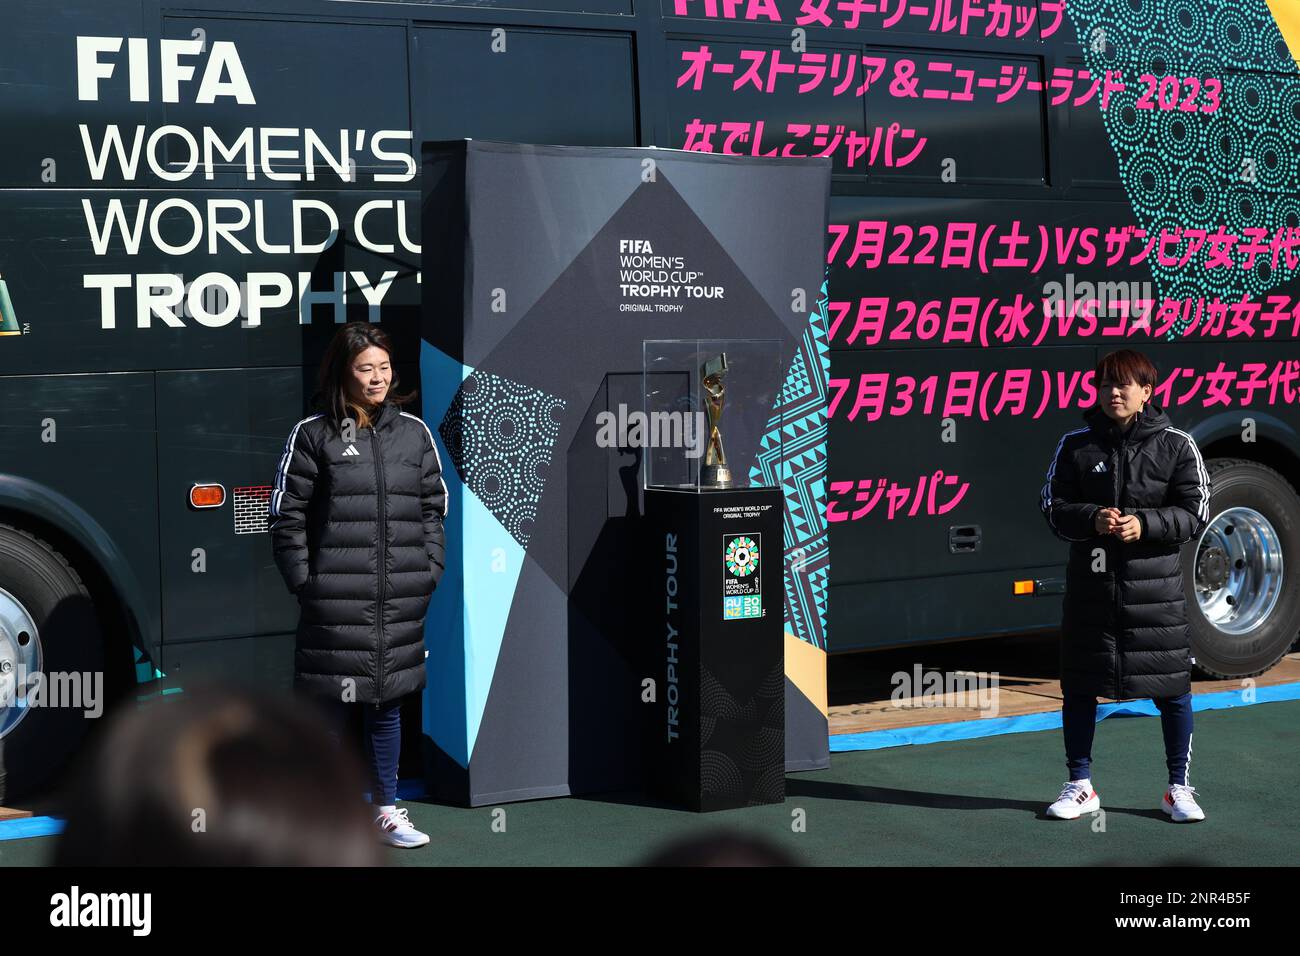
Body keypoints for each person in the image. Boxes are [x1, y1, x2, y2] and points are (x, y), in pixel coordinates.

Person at [269, 321, 448, 848]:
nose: (377, 378)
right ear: (342, 373)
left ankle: (386, 811)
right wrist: (307, 584)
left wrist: (427, 570)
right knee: (328, 707)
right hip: (333, 603)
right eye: (365, 368)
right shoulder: (313, 434)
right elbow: (287, 516)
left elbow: (434, 507)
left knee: (386, 703)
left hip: (398, 604)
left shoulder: (413, 432)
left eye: (385, 367)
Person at [1039, 349, 1210, 823]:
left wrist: (1145, 524)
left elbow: (1196, 513)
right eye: (1106, 384)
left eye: (1125, 385)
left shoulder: (1177, 445)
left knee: (1174, 691)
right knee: (1077, 688)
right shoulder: (1075, 444)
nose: (1114, 393)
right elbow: (1052, 506)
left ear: (1147, 392)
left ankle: (1178, 788)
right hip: (1091, 596)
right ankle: (1080, 785)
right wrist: (1092, 518)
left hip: (1156, 598)